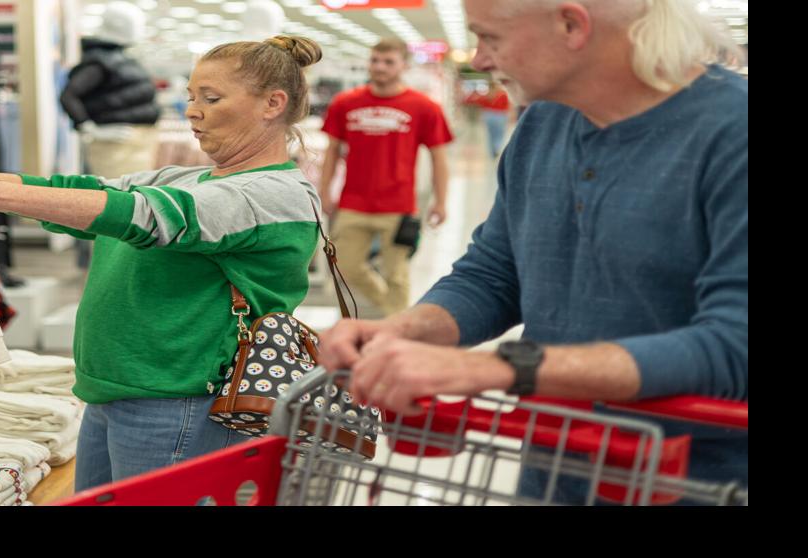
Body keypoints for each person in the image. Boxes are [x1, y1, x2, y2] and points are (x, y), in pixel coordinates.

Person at [0, 36, 329, 488]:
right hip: (119, 394)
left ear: (273, 104)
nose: (192, 111)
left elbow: (145, 216)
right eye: (190, 96)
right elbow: (80, 194)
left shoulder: (274, 195)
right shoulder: (187, 175)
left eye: (212, 98)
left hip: (179, 402)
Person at [320, 0, 749, 492]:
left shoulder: (731, 132)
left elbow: (734, 346)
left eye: (491, 38)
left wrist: (493, 369)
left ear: (571, 25)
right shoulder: (544, 123)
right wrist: (405, 330)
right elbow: (497, 273)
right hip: (556, 466)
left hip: (701, 483)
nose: (479, 59)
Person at [318, 38, 453, 317]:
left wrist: (440, 201)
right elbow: (332, 151)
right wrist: (324, 191)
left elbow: (439, 157)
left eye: (388, 62)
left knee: (397, 275)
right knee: (346, 265)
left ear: (403, 65)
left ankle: (397, 326)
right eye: (375, 60)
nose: (379, 67)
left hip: (399, 204)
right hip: (353, 202)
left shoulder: (424, 107)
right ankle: (393, 310)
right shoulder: (345, 102)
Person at [61, 1, 163, 179]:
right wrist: (90, 129)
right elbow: (69, 95)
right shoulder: (100, 62)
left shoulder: (118, 58)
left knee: (136, 195)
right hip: (115, 146)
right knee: (120, 197)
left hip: (136, 144)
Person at [465, 77, 513, 158]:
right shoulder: (503, 94)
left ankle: (492, 151)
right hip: (500, 115)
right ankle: (497, 148)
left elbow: (478, 102)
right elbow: (507, 105)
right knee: (499, 134)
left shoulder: (487, 95)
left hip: (488, 115)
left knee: (490, 134)